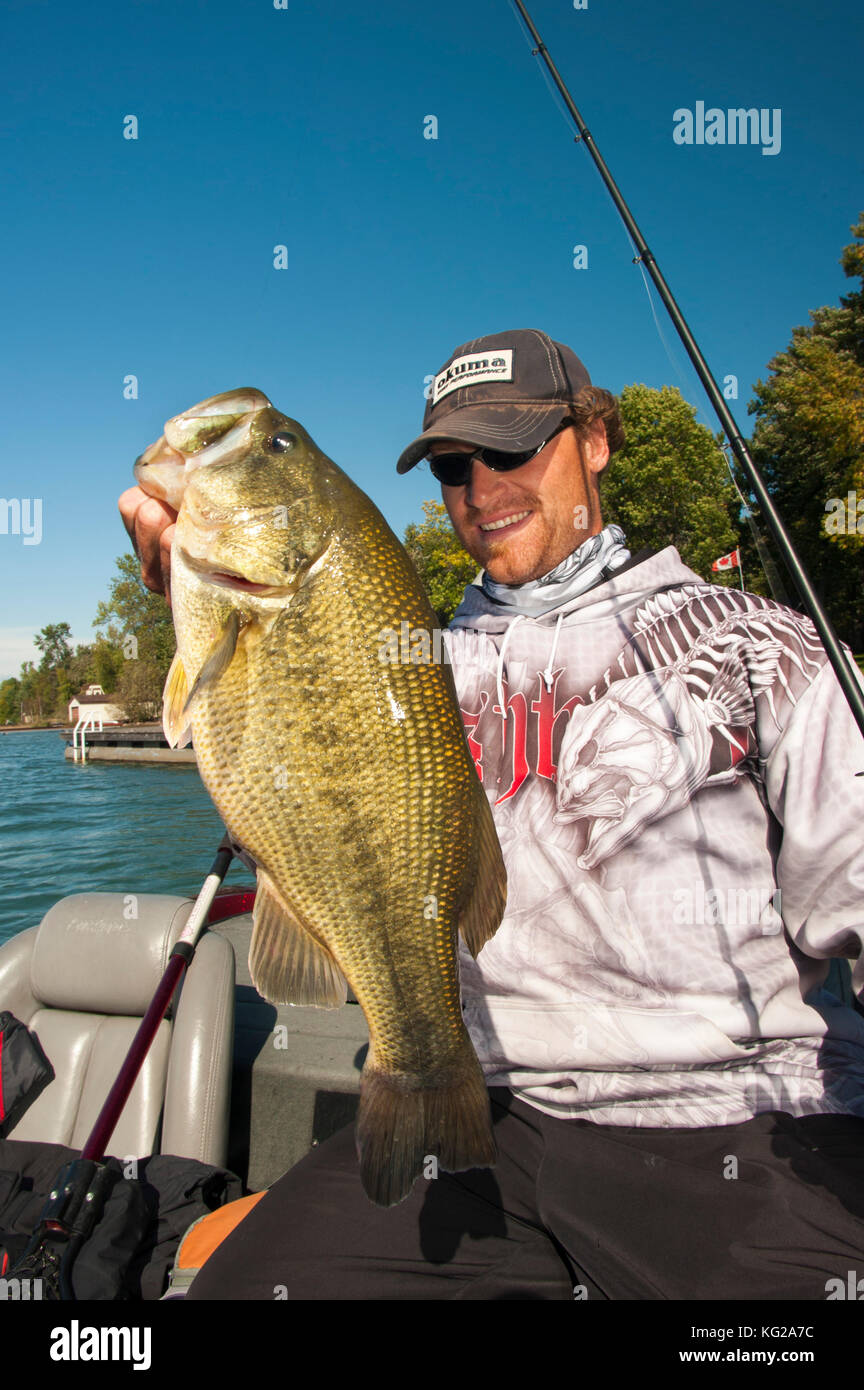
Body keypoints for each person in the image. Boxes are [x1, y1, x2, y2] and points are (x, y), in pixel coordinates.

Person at [120, 328, 864, 1301]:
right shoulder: (402, 656)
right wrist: (187, 587)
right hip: (477, 1108)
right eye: (451, 466)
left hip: (740, 1127)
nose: (482, 489)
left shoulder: (764, 647)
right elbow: (276, 723)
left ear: (595, 439)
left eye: (512, 448)